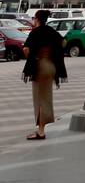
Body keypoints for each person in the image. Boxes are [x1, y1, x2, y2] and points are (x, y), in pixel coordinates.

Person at [22, 10, 67, 139]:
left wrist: (32, 56)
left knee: (39, 98)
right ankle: (42, 128)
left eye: (34, 18)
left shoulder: (35, 33)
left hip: (40, 66)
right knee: (46, 97)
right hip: (51, 66)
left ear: (37, 19)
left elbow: (26, 49)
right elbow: (63, 43)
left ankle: (41, 131)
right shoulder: (52, 32)